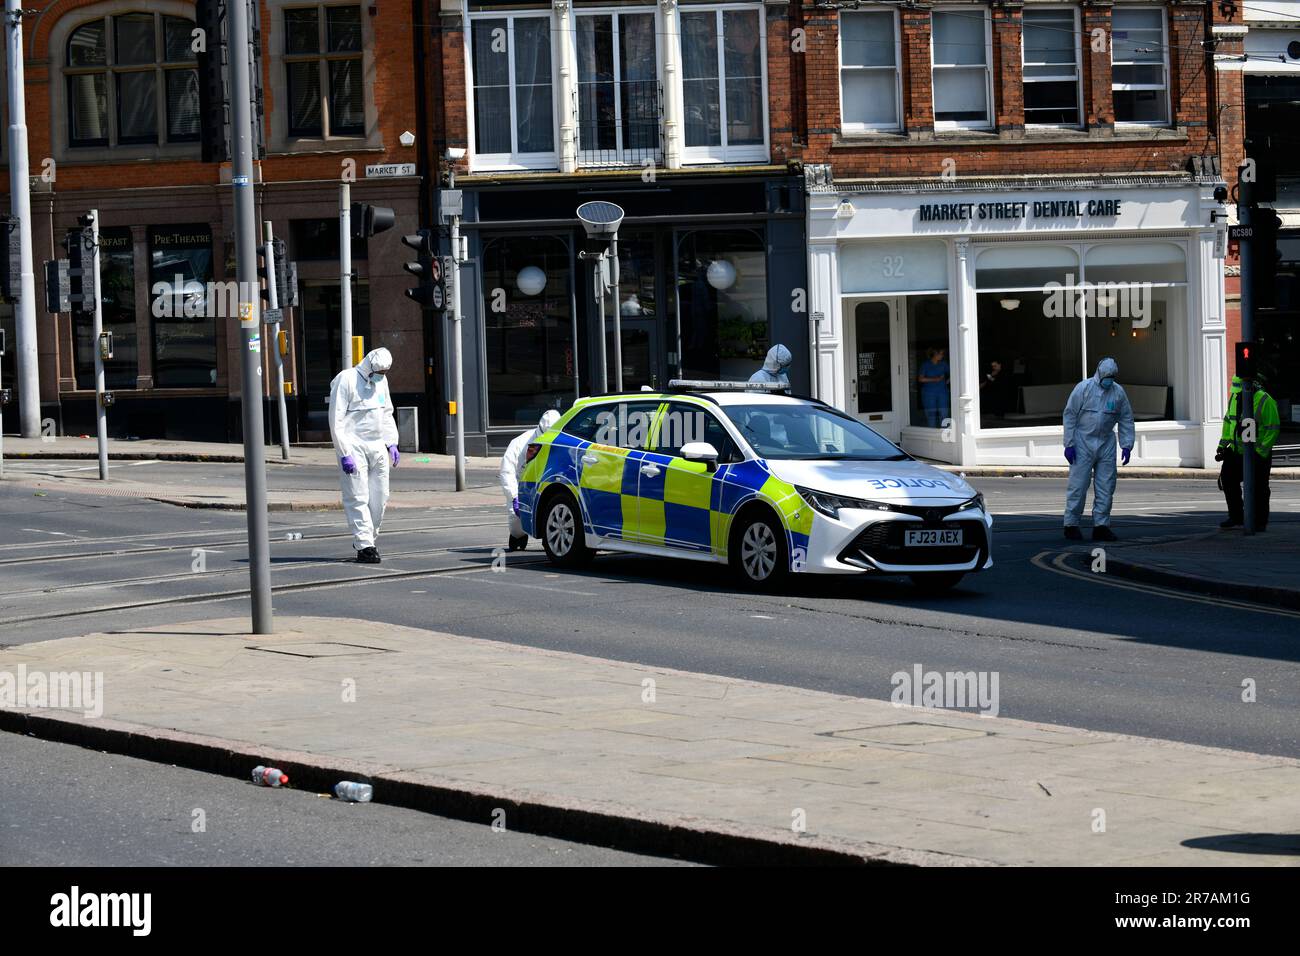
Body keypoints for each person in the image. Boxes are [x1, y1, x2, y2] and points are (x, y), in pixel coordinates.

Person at [329, 348, 400, 564]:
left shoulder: (381, 381)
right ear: (370, 366)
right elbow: (336, 420)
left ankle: (368, 537)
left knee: (380, 498)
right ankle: (365, 545)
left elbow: (386, 412)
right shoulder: (346, 380)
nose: (382, 375)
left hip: (377, 444)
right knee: (357, 497)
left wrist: (392, 442)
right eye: (380, 371)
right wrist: (344, 453)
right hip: (354, 445)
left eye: (386, 371)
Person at [1062, 357, 1134, 542]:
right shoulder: (1083, 389)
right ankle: (1071, 524)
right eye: (1106, 376)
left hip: (1106, 443)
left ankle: (1101, 526)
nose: (1109, 379)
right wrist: (1069, 443)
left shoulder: (1118, 393)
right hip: (1082, 442)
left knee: (1106, 486)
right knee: (1078, 485)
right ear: (1099, 374)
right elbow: (1070, 415)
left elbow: (1126, 418)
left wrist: (1126, 444)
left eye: (1112, 376)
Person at [1216, 374, 1280, 530]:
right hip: (1237, 450)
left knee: (1260, 487)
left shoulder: (1265, 400)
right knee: (1228, 479)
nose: (1237, 393)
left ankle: (1259, 522)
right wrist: (1222, 445)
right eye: (1237, 390)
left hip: (1257, 453)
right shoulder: (1234, 398)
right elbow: (1228, 423)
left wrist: (1261, 452)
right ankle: (1236, 516)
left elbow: (1273, 429)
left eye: (1241, 390)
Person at [500, 409, 562, 551]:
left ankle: (549, 538)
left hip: (548, 485)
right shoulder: (518, 443)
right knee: (516, 525)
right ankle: (518, 537)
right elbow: (507, 471)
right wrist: (514, 496)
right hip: (523, 486)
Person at [917, 347, 951, 428]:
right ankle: (932, 435)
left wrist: (947, 381)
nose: (942, 355)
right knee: (931, 415)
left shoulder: (943, 364)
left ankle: (944, 434)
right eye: (941, 354)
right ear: (935, 354)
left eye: (943, 354)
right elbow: (920, 379)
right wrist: (935, 379)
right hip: (929, 393)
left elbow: (953, 372)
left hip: (942, 392)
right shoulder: (926, 365)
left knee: (944, 413)